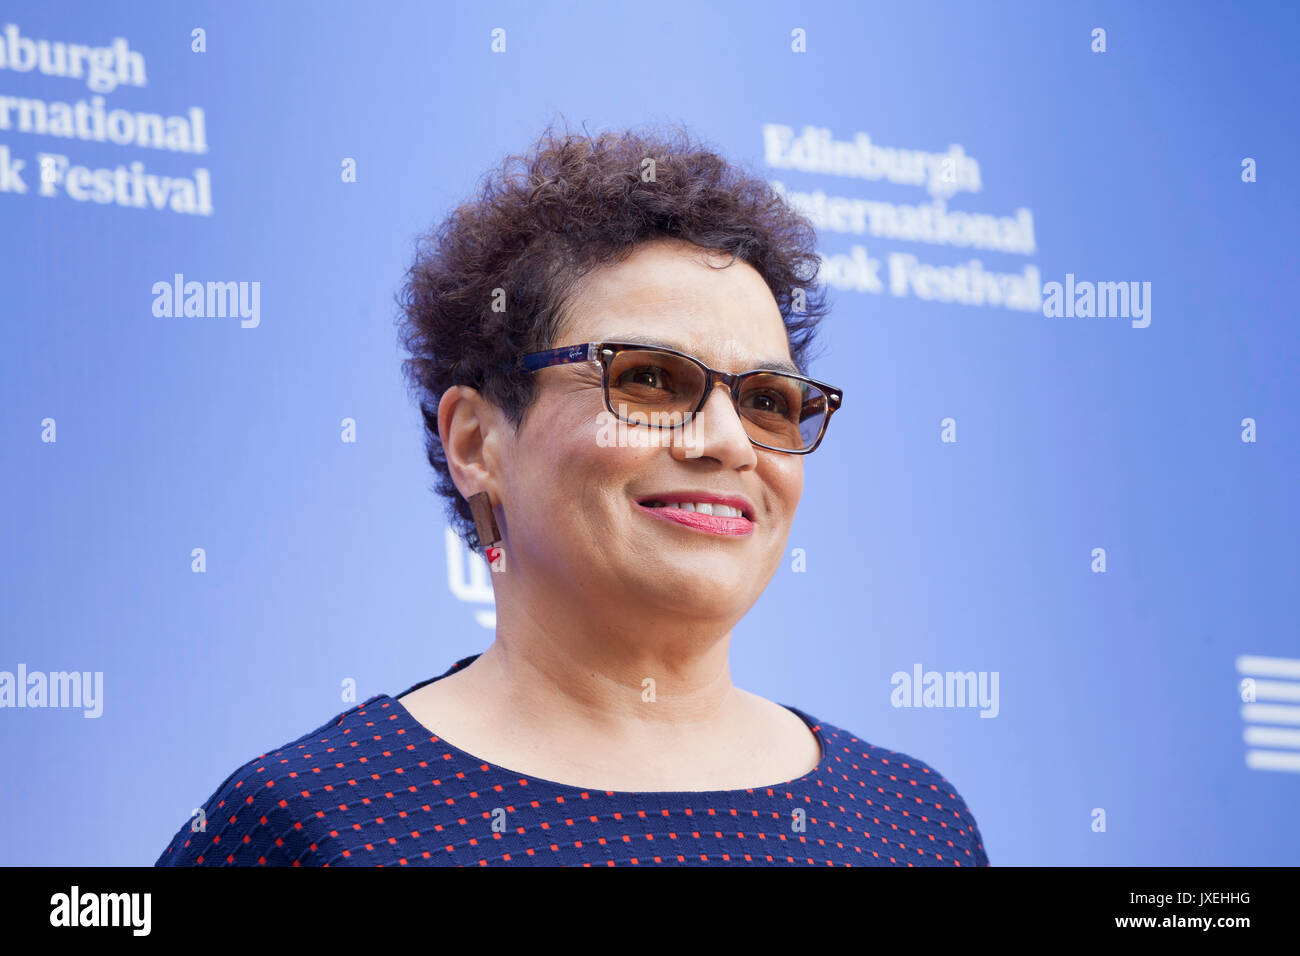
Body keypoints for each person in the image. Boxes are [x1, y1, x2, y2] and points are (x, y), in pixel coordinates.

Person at [155, 120, 988, 866]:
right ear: (477, 444)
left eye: (767, 399)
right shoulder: (314, 824)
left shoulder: (914, 826)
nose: (730, 441)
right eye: (651, 379)